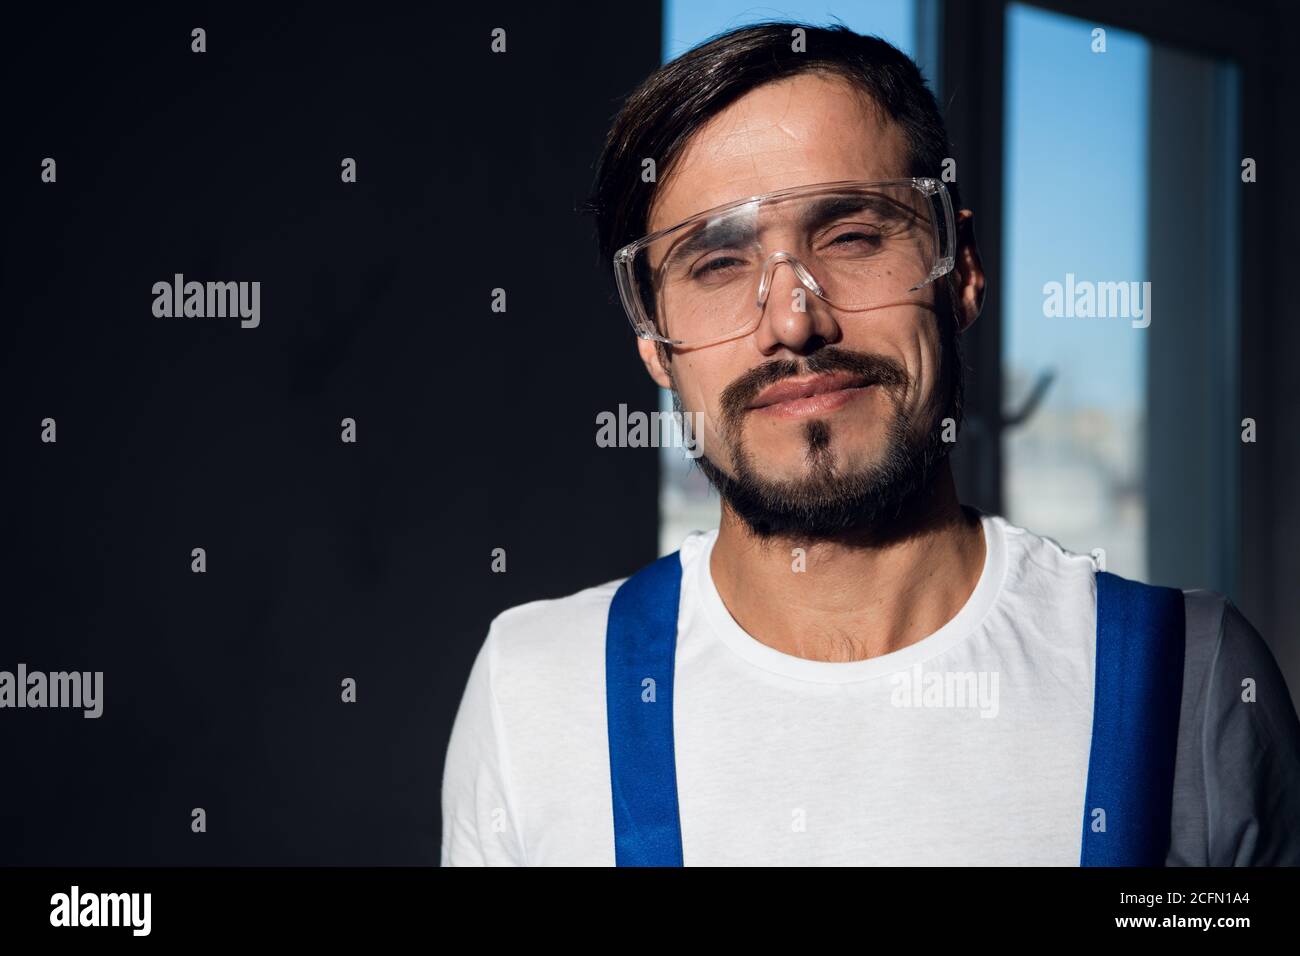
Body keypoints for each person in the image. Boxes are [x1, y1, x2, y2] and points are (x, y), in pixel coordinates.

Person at [440, 21, 1300, 866]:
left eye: (852, 237)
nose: (794, 319)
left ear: (960, 270)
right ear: (656, 346)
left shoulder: (1194, 677)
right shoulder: (537, 691)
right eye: (718, 264)